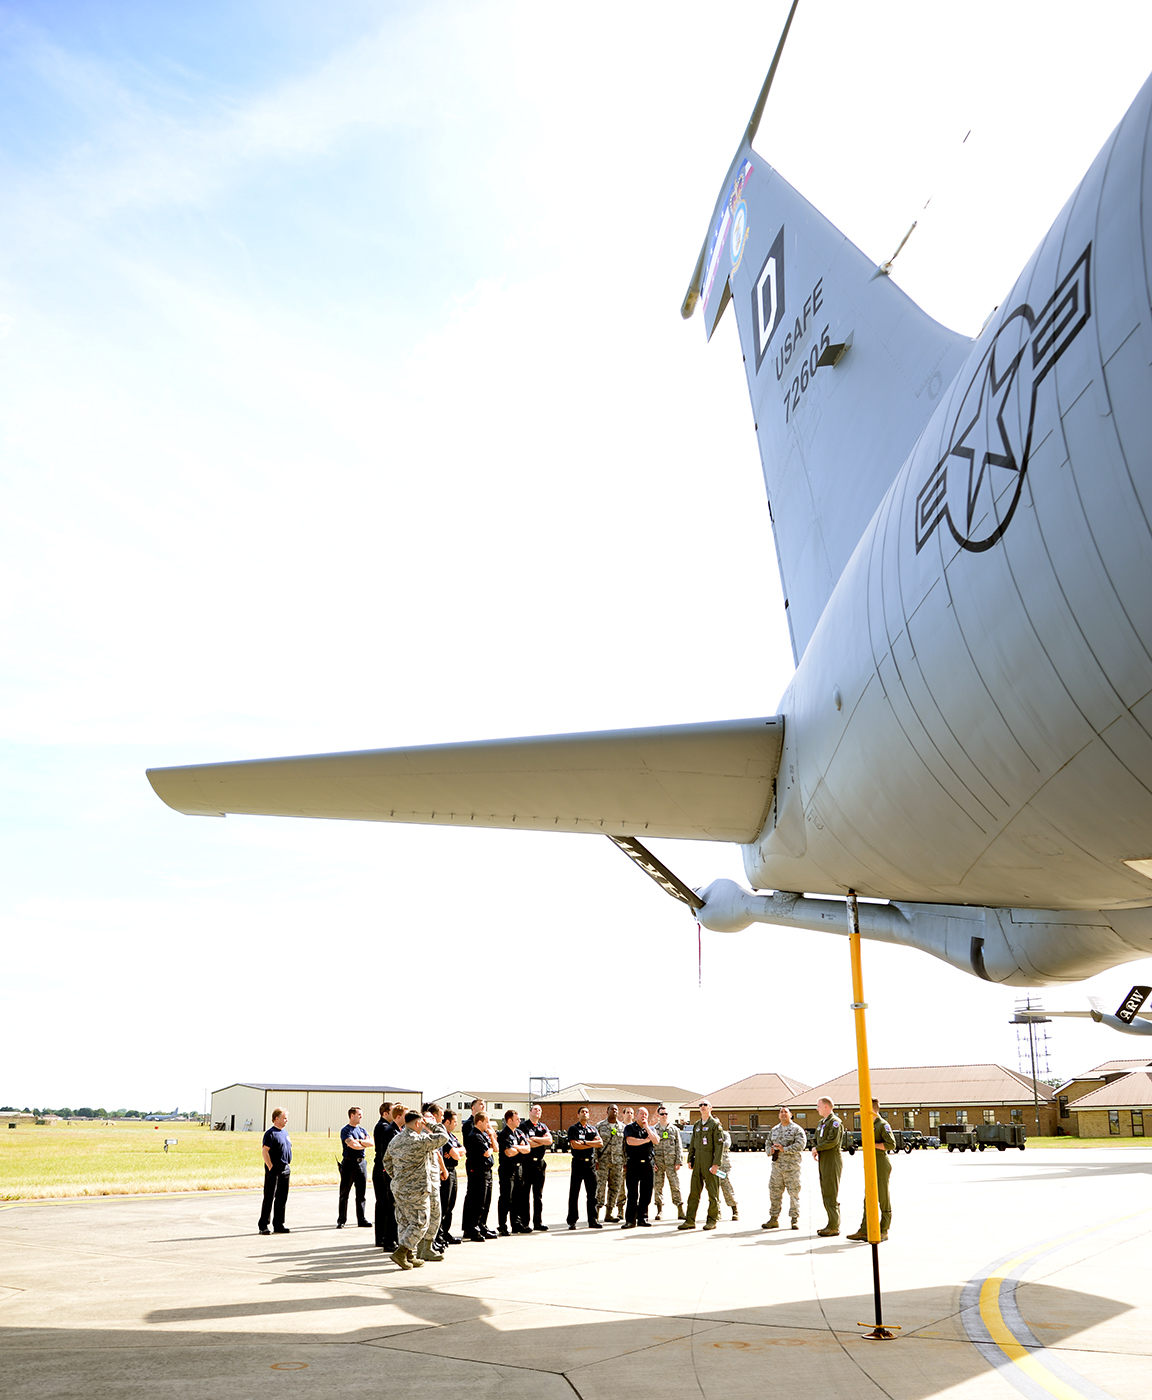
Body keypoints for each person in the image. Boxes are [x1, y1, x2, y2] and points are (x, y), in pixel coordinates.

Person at [383, 1109, 449, 1269]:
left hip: (399, 1188)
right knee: (421, 1223)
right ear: (418, 1123)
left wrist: (399, 1178)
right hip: (417, 1189)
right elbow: (444, 1137)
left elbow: (386, 1161)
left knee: (405, 1222)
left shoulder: (395, 1140)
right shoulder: (419, 1140)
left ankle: (409, 1255)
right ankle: (401, 1252)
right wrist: (431, 1124)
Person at [846, 1100, 896, 1242]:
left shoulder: (882, 1125)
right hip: (871, 1162)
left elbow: (891, 1144)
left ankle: (884, 1229)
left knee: (882, 1196)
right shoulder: (869, 1124)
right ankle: (864, 1229)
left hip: (880, 1162)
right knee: (868, 1197)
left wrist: (871, 1144)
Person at [678, 1100, 724, 1231]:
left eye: (705, 1105)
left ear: (711, 1108)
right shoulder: (697, 1125)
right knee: (694, 1192)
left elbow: (719, 1146)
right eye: (700, 1105)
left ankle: (712, 1220)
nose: (702, 1107)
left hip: (710, 1161)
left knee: (713, 1193)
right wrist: (690, 1158)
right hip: (698, 1161)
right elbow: (693, 1143)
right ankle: (690, 1220)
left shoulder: (715, 1125)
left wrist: (716, 1164)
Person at [761, 1105, 807, 1230]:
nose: (783, 1114)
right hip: (777, 1168)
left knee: (793, 1194)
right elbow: (767, 1144)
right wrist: (770, 1150)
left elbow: (801, 1145)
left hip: (792, 1168)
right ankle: (773, 1218)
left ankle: (794, 1219)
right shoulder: (774, 1130)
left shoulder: (797, 1129)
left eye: (786, 1112)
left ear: (790, 1115)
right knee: (774, 1193)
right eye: (781, 1112)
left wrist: (784, 1149)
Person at [461, 1111, 496, 1241]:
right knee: (477, 1200)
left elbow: (495, 1148)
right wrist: (491, 1148)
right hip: (478, 1171)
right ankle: (472, 1228)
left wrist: (491, 1138)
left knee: (486, 1200)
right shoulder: (475, 1135)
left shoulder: (483, 1135)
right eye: (486, 1122)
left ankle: (482, 1225)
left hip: (487, 1171)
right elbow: (487, 1152)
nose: (488, 1125)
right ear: (479, 1122)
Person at [812, 1096, 844, 1237]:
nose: (817, 1108)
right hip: (824, 1158)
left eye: (818, 1106)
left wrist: (818, 1148)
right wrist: (815, 1147)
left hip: (832, 1159)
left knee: (831, 1191)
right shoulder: (821, 1122)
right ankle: (831, 1222)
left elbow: (832, 1141)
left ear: (826, 1106)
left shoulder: (835, 1122)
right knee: (826, 1190)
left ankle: (834, 1225)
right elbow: (816, 1137)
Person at [565, 1106, 602, 1229]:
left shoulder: (593, 1129)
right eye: (582, 1112)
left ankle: (593, 1220)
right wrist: (591, 1143)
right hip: (578, 1163)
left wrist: (585, 1143)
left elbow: (600, 1143)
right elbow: (575, 1145)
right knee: (574, 1193)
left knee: (592, 1193)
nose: (585, 1113)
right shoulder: (573, 1129)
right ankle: (572, 1221)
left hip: (590, 1164)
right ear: (578, 1115)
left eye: (587, 1112)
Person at [622, 1106, 658, 1228]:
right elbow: (630, 1141)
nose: (643, 1116)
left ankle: (642, 1217)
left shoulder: (651, 1128)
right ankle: (630, 1220)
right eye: (641, 1114)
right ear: (636, 1115)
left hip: (648, 1164)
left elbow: (656, 1140)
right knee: (632, 1193)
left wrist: (647, 1128)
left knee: (647, 1193)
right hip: (634, 1163)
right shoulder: (629, 1128)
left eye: (646, 1115)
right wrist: (645, 1141)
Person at [497, 1109, 531, 1235]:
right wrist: (519, 1148)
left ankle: (516, 1224)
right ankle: (502, 1225)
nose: (520, 1121)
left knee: (518, 1198)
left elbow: (527, 1149)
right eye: (517, 1119)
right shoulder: (504, 1134)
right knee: (506, 1198)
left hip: (519, 1168)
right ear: (509, 1120)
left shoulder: (520, 1133)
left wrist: (516, 1147)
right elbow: (509, 1153)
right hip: (507, 1169)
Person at [258, 1108, 291, 1234]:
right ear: (276, 1118)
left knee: (282, 1198)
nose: (286, 1120)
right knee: (269, 1197)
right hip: (274, 1169)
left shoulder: (285, 1133)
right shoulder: (270, 1133)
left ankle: (278, 1224)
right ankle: (263, 1225)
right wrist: (270, 1167)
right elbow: (265, 1151)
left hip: (285, 1169)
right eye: (284, 1117)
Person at [421, 1103, 448, 1257]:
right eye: (429, 1119)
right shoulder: (422, 1137)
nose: (433, 1121)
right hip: (424, 1183)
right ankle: (421, 1248)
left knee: (435, 1213)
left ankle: (427, 1246)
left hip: (433, 1179)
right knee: (424, 1216)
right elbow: (444, 1135)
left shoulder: (431, 1137)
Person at [337, 1106, 370, 1228]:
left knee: (361, 1194)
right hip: (349, 1164)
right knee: (344, 1193)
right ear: (352, 1115)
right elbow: (353, 1145)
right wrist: (362, 1143)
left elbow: (371, 1142)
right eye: (359, 1114)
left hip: (361, 1163)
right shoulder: (346, 1130)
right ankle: (341, 1220)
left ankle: (361, 1219)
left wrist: (359, 1142)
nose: (361, 1116)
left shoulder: (362, 1130)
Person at [521, 1103, 553, 1230]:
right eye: (535, 1109)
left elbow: (549, 1141)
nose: (537, 1111)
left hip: (540, 1163)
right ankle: (525, 1223)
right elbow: (527, 1144)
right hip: (527, 1163)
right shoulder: (524, 1126)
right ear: (530, 1112)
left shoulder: (543, 1126)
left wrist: (534, 1139)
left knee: (538, 1195)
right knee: (525, 1194)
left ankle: (538, 1222)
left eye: (539, 1110)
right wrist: (541, 1140)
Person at [652, 1106, 684, 1221]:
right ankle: (659, 1210)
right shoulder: (654, 1129)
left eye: (666, 1114)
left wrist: (678, 1161)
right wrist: (652, 1163)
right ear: (658, 1116)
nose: (664, 1116)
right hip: (658, 1163)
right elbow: (650, 1148)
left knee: (675, 1186)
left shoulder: (674, 1129)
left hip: (671, 1163)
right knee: (658, 1187)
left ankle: (680, 1209)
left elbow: (678, 1146)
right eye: (662, 1114)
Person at [594, 1104, 626, 1223]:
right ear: (607, 1111)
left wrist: (625, 1162)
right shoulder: (599, 1126)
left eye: (616, 1110)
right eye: (612, 1109)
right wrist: (595, 1160)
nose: (615, 1111)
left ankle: (609, 1213)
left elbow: (625, 1147)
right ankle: (596, 1213)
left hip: (617, 1163)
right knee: (600, 1187)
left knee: (615, 1188)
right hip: (603, 1162)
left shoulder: (622, 1127)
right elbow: (595, 1145)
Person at [373, 1102, 397, 1249]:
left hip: (383, 1167)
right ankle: (381, 1237)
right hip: (382, 1168)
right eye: (392, 1111)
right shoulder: (383, 1127)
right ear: (385, 1113)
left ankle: (383, 1236)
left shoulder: (386, 1126)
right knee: (383, 1203)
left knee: (384, 1203)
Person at [438, 1109, 463, 1246]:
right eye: (454, 1121)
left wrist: (456, 1151)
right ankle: (440, 1233)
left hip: (453, 1171)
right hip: (445, 1172)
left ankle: (446, 1232)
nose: (456, 1124)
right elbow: (456, 1154)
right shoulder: (444, 1137)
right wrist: (455, 1152)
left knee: (451, 1203)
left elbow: (461, 1151)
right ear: (447, 1122)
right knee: (444, 1203)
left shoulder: (452, 1136)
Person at [718, 1129, 739, 1221]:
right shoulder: (707, 1135)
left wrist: (715, 1144)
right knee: (713, 1189)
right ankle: (716, 1211)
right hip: (711, 1165)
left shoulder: (724, 1134)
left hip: (723, 1166)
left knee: (726, 1187)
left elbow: (726, 1145)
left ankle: (734, 1209)